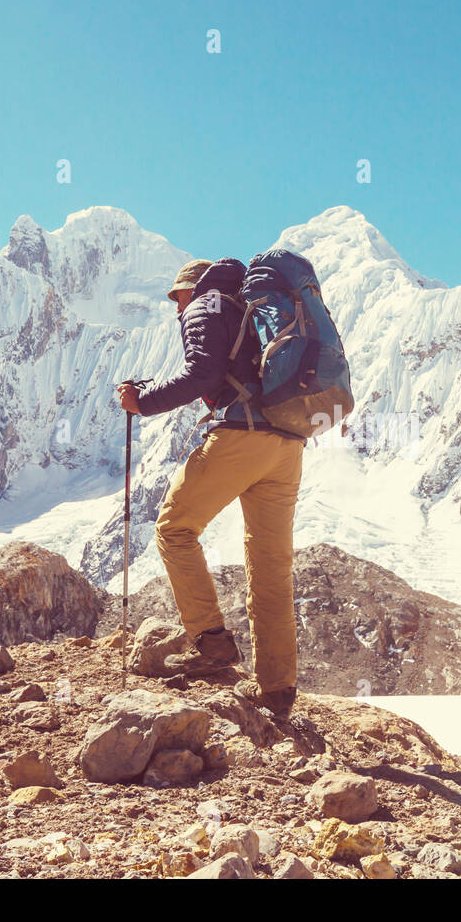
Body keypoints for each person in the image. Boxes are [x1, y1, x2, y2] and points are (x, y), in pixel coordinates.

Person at [116, 258, 305, 716]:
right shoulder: (252, 309)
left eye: (174, 298)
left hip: (240, 437)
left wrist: (142, 402)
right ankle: (277, 689)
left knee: (174, 528)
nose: (174, 308)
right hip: (287, 445)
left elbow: (201, 374)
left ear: (188, 288)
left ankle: (211, 641)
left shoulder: (205, 305)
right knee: (270, 566)